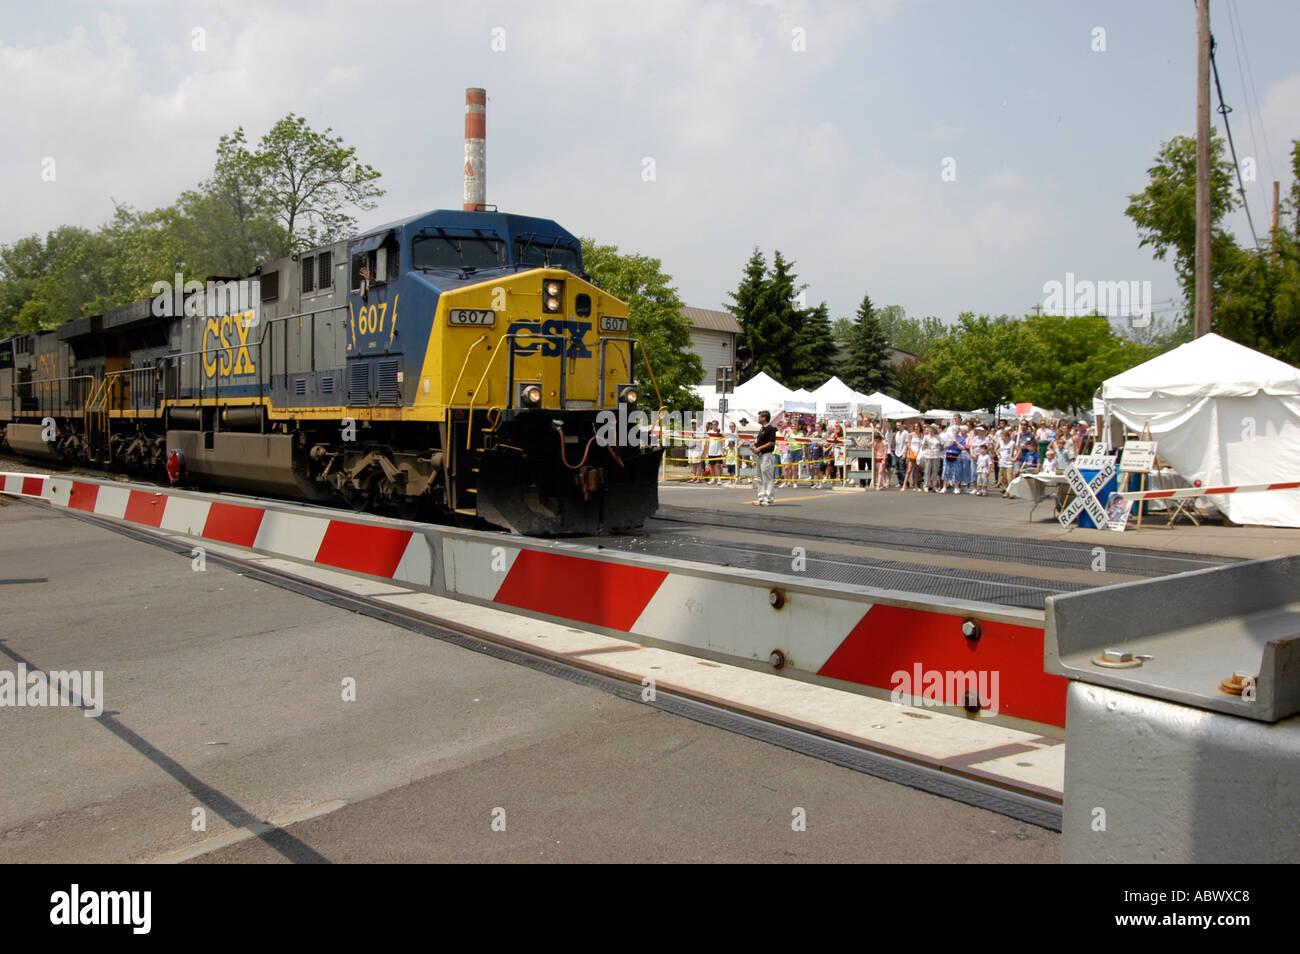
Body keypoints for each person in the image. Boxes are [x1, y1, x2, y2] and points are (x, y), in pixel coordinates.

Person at [752, 411, 778, 506]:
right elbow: (761, 441)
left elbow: (771, 442)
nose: (758, 419)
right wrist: (754, 445)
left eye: (760, 417)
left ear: (764, 418)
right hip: (760, 455)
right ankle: (761, 498)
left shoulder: (770, 429)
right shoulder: (762, 429)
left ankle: (769, 498)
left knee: (767, 477)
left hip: (767, 455)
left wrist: (759, 448)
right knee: (760, 477)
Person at [921, 423, 943, 492]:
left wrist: (941, 447)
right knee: (927, 470)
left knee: (935, 470)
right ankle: (926, 485)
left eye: (932, 429)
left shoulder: (938, 437)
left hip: (936, 454)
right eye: (930, 429)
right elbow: (923, 447)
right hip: (928, 454)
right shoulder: (926, 437)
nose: (931, 431)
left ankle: (934, 486)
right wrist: (925, 443)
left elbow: (942, 446)